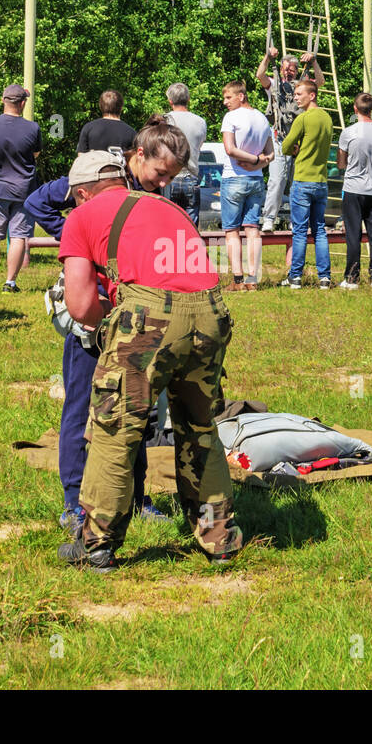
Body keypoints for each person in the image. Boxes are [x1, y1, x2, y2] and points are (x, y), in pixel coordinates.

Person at [55, 139, 242, 572]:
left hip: (150, 320)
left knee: (115, 427)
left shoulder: (81, 217)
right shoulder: (168, 207)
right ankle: (219, 538)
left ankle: (96, 542)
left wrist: (115, 323)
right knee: (199, 427)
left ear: (82, 193)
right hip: (212, 313)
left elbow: (81, 306)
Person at [24, 119, 190, 537]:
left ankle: (135, 498)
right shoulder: (99, 176)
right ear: (138, 157)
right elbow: (37, 203)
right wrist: (79, 240)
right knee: (81, 408)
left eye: (171, 178)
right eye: (160, 174)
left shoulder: (144, 195)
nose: (164, 184)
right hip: (91, 318)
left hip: (135, 319)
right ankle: (75, 504)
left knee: (134, 409)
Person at [0, 83, 40, 294]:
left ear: (3, 100)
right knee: (17, 237)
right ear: (22, 103)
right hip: (24, 191)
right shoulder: (33, 129)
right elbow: (35, 155)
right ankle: (10, 283)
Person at [257, 48, 324, 231]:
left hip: (300, 142)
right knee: (277, 180)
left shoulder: (302, 87)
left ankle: (297, 219)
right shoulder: (274, 84)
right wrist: (268, 57)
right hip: (280, 139)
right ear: (280, 68)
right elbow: (260, 74)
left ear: (297, 70)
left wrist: (314, 62)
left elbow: (320, 82)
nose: (288, 72)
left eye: (292, 69)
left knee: (298, 183)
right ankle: (270, 217)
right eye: (286, 69)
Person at [219, 80, 274, 289]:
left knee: (232, 230)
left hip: (234, 177)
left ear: (241, 96)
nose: (225, 102)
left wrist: (250, 160)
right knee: (253, 229)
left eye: (228, 97)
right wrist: (259, 162)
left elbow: (230, 149)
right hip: (257, 179)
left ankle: (238, 280)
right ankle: (253, 278)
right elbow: (271, 153)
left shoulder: (231, 117)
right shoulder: (262, 118)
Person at [282, 79, 334, 289]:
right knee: (320, 229)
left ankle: (295, 277)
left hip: (303, 179)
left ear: (312, 95)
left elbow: (286, 146)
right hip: (321, 180)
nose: (295, 98)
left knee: (300, 231)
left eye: (299, 94)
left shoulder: (302, 119)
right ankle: (325, 277)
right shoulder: (327, 118)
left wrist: (296, 147)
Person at [336, 92, 372, 289]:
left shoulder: (348, 132)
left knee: (353, 234)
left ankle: (352, 277)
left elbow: (341, 164)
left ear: (355, 108)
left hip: (353, 188)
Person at [163, 82, 207, 227]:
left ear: (170, 101)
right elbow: (199, 146)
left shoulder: (164, 120)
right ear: (188, 99)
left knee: (168, 224)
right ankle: (188, 249)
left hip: (169, 178)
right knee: (190, 227)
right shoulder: (200, 122)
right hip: (191, 176)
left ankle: (171, 250)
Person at [76, 90, 136, 154]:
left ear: (100, 106)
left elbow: (81, 157)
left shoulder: (88, 128)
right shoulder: (131, 133)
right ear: (121, 107)